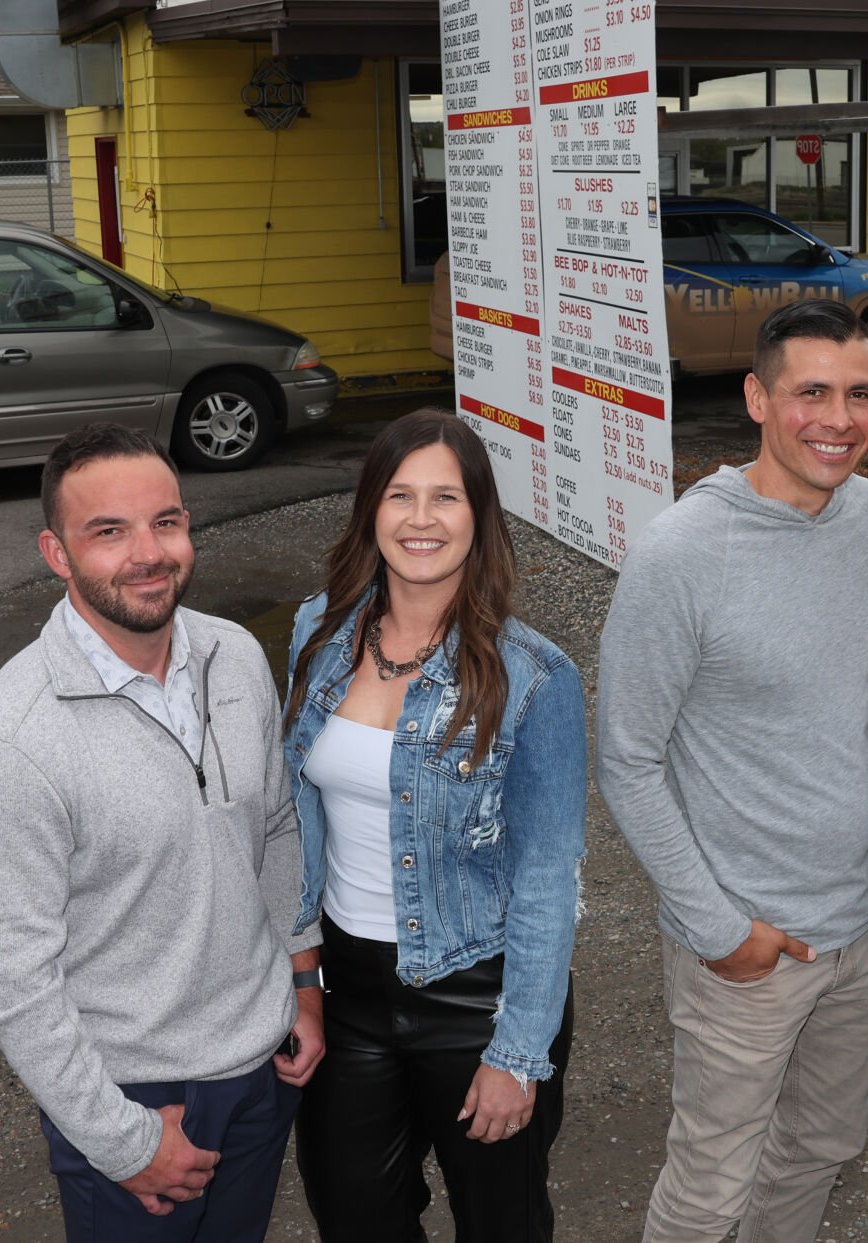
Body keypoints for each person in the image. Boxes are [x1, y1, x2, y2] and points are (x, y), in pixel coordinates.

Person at [0, 423, 323, 1242]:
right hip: (135, 1101)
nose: (148, 552)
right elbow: (12, 983)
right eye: (108, 531)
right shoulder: (8, 744)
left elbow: (279, 822)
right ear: (56, 551)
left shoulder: (233, 656)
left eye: (167, 521)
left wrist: (302, 978)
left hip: (261, 1068)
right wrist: (122, 1142)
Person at [597, 298, 868, 1243]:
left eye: (858, 393)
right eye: (810, 391)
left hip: (858, 925)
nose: (837, 418)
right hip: (743, 949)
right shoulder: (681, 554)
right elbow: (627, 759)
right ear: (756, 400)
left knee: (818, 1150)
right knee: (708, 1187)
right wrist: (721, 927)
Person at [281, 407, 587, 1242]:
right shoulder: (317, 633)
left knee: (502, 1221)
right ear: (369, 511)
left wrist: (518, 1053)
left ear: (479, 516)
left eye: (445, 497)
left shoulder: (533, 677)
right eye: (399, 495)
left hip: (477, 995)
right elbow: (293, 816)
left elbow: (547, 878)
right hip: (349, 990)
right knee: (353, 1215)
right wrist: (302, 974)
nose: (420, 519)